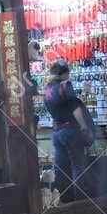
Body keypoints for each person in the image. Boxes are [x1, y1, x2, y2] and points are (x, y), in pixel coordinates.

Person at [42, 58, 94, 200]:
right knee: (78, 167)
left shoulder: (47, 89)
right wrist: (84, 126)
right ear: (64, 73)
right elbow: (75, 108)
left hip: (56, 133)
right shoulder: (65, 85)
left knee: (59, 168)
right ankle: (80, 201)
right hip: (70, 131)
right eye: (68, 73)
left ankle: (55, 199)